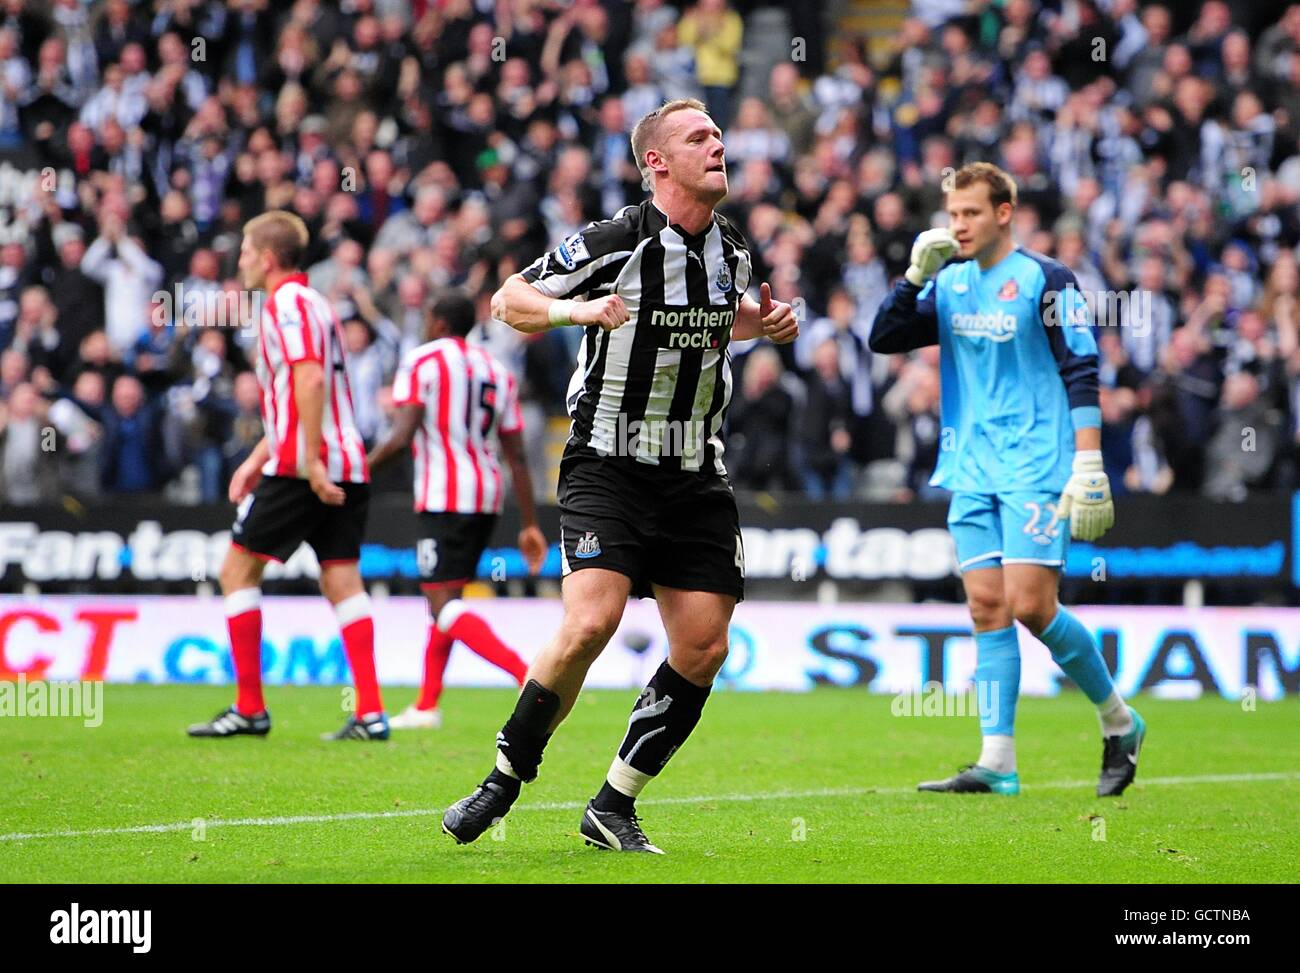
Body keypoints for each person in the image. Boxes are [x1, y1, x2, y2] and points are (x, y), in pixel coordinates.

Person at [441, 98, 798, 853]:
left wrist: (759, 325)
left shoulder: (732, 251)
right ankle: (504, 778)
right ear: (657, 163)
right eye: (699, 137)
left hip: (697, 469)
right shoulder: (615, 240)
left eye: (719, 135)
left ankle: (613, 803)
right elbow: (511, 298)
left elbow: (712, 316)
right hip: (609, 460)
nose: (718, 144)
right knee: (592, 621)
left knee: (703, 646)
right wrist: (579, 314)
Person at [870, 162, 1146, 798]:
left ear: (1004, 212)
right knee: (986, 606)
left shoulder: (1047, 280)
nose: (958, 225)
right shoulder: (950, 281)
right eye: (952, 213)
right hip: (970, 465)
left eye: (970, 212)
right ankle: (997, 761)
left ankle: (1119, 721)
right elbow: (884, 337)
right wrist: (913, 276)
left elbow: (1082, 367)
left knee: (1030, 605)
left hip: (1037, 465)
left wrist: (1087, 460)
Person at [187, 210, 388, 742]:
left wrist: (310, 462)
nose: (242, 260)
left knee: (236, 572)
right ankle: (370, 712)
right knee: (341, 578)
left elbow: (310, 378)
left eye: (247, 251)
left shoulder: (286, 304)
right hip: (344, 460)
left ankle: (250, 707)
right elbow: (294, 396)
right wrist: (256, 459)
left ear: (268, 257)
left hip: (306, 465)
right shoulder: (315, 304)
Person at [366, 291, 547, 729]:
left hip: (444, 495)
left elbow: (403, 433)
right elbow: (517, 455)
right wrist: (528, 523)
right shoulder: (497, 370)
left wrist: (358, 471)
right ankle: (427, 705)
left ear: (439, 323)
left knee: (441, 602)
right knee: (446, 598)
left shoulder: (422, 361)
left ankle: (529, 676)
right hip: (487, 495)